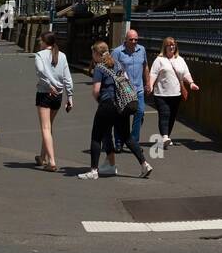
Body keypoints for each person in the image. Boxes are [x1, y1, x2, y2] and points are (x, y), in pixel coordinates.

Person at [79, 40, 153, 181]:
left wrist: (100, 102)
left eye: (93, 53)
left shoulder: (100, 68)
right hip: (122, 105)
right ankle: (144, 164)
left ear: (96, 53)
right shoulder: (117, 64)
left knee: (96, 136)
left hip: (107, 104)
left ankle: (94, 170)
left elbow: (96, 91)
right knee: (126, 136)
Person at [149, 36, 199, 149]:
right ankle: (165, 136)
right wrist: (151, 85)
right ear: (165, 47)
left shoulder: (180, 59)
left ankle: (166, 136)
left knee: (172, 116)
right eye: (169, 45)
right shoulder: (159, 60)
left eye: (173, 45)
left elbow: (186, 73)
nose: (172, 47)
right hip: (161, 94)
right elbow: (153, 74)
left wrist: (191, 83)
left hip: (176, 94)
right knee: (164, 114)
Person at [34, 31, 73, 172]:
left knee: (45, 127)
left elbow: (40, 71)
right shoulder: (62, 55)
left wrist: (49, 84)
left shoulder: (40, 55)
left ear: (45, 42)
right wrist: (70, 97)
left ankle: (51, 161)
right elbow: (67, 78)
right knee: (49, 127)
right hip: (58, 94)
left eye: (40, 41)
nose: (39, 43)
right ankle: (42, 156)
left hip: (45, 93)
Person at [111, 28, 151, 150]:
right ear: (126, 39)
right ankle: (118, 142)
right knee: (122, 115)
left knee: (140, 112)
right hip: (124, 90)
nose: (134, 41)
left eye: (136, 39)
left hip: (138, 88)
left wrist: (148, 82)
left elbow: (145, 66)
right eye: (131, 39)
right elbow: (112, 71)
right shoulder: (117, 52)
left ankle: (133, 141)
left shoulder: (142, 49)